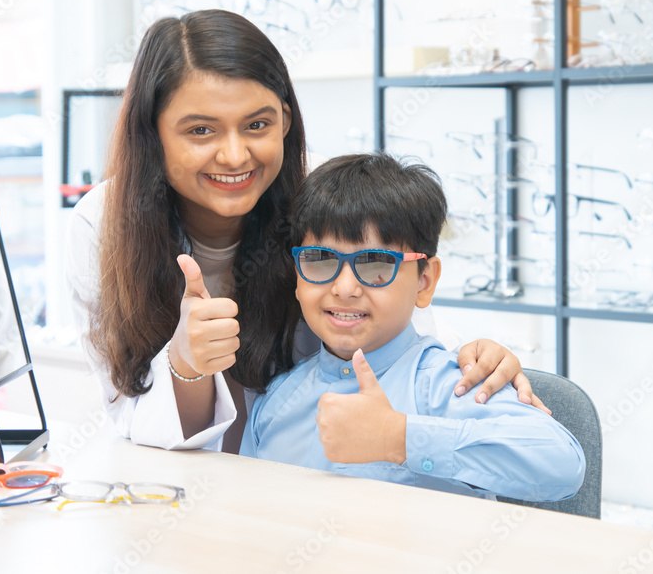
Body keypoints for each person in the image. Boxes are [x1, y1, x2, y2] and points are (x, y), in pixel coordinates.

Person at [65, 9, 545, 454]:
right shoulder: (103, 225)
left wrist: (474, 359)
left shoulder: (318, 198)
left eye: (256, 124)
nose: (234, 156)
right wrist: (185, 365)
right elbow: (128, 411)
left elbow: (399, 329)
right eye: (201, 131)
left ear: (285, 122)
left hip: (316, 473)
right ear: (153, 133)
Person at [240, 153, 585, 502]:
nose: (344, 288)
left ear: (424, 282)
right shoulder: (275, 401)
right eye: (320, 259)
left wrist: (398, 437)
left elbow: (563, 464)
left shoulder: (448, 384)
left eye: (376, 263)